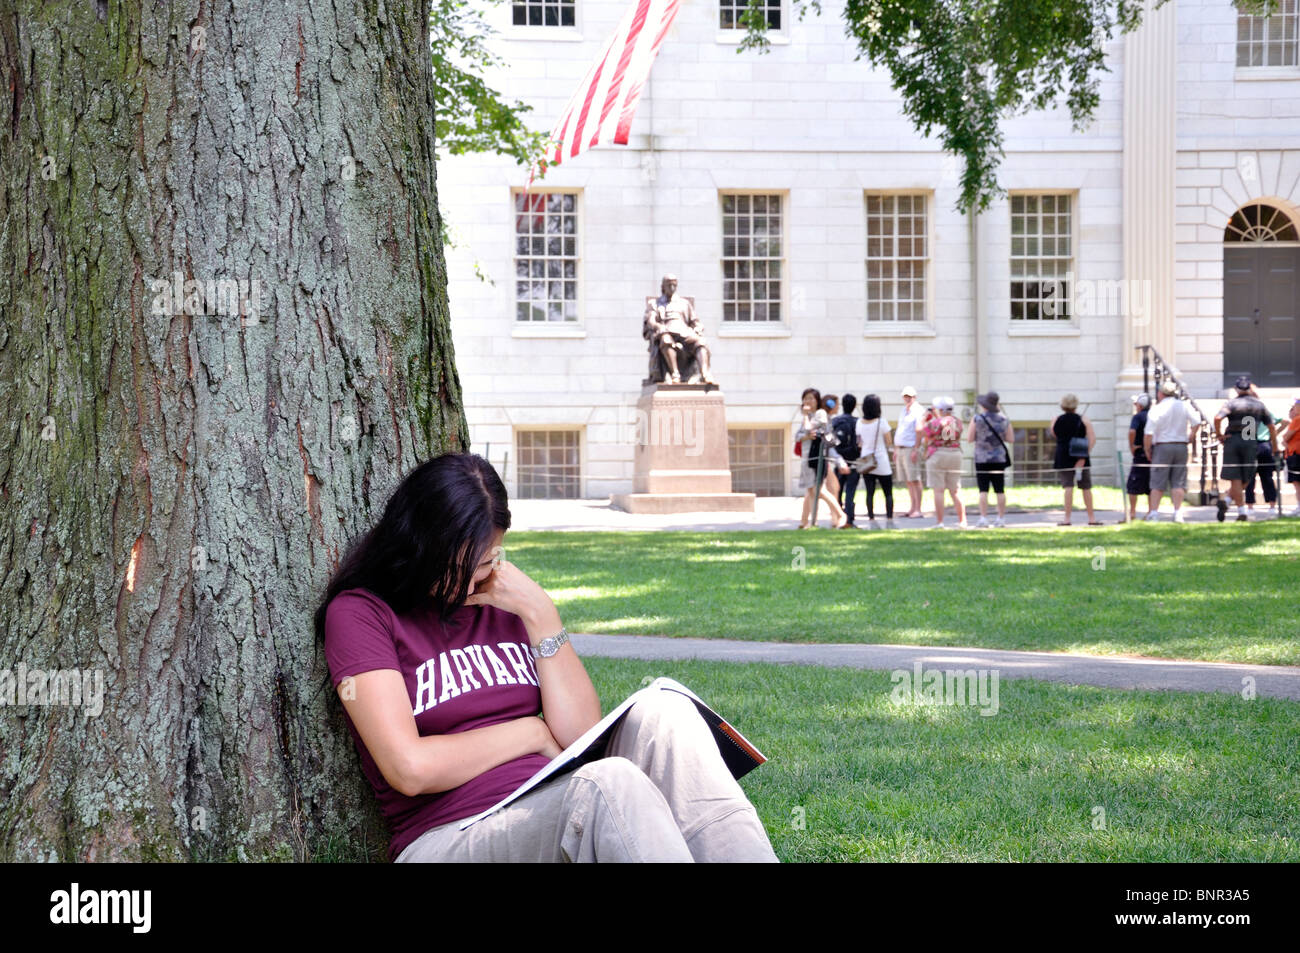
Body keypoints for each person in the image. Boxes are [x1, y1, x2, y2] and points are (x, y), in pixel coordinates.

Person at [316, 453, 778, 863]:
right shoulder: (361, 615)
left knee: (665, 713)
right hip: (448, 835)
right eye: (454, 568)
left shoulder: (506, 601)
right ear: (417, 549)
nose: (470, 583)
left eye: (485, 562)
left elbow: (578, 737)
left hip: (550, 804)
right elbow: (408, 768)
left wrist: (541, 615)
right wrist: (530, 732)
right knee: (608, 784)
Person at [1214, 375, 1277, 523]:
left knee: (1236, 476)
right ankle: (1236, 507)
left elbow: (1217, 418)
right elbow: (1271, 426)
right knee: (1247, 475)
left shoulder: (1231, 404)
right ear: (1249, 388)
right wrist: (1274, 445)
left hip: (1233, 439)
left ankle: (1231, 503)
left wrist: (1219, 435)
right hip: (1250, 440)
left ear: (1236, 389)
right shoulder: (1259, 405)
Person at [1143, 380, 1202, 522]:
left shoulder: (1157, 408)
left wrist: (1147, 449)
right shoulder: (1184, 405)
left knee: (1157, 481)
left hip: (1163, 445)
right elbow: (1197, 421)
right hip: (1180, 445)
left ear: (1160, 393)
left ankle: (1154, 513)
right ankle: (1177, 512)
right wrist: (1191, 435)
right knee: (1178, 481)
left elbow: (1148, 432)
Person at [796, 388, 849, 529]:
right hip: (807, 458)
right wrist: (806, 435)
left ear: (817, 401)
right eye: (805, 398)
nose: (807, 401)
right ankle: (807, 522)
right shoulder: (808, 416)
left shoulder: (819, 414)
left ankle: (840, 515)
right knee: (810, 491)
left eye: (811, 398)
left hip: (817, 458)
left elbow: (808, 429)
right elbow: (798, 436)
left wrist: (805, 416)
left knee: (820, 490)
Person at [964, 390, 1013, 528]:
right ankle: (1001, 518)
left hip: (982, 459)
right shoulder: (1004, 419)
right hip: (999, 458)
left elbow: (969, 438)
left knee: (983, 490)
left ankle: (984, 518)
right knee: (1000, 490)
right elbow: (1011, 438)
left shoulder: (977, 419)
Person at [1050, 394, 1099, 526]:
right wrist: (1084, 456)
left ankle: (1067, 519)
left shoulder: (1056, 420)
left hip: (1063, 456)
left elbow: (1055, 434)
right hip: (1081, 456)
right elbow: (1092, 439)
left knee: (1067, 487)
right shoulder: (1084, 419)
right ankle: (1091, 518)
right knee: (1086, 487)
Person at [920, 396, 966, 529]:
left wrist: (924, 417)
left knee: (939, 491)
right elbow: (949, 434)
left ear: (939, 409)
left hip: (938, 454)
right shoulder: (958, 422)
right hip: (955, 453)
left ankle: (940, 522)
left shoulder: (935, 423)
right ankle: (963, 521)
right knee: (955, 490)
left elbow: (921, 431)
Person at [856, 393, 897, 529]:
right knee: (888, 492)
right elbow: (889, 441)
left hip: (867, 461)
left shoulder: (859, 422)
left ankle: (871, 518)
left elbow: (859, 443)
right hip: (881, 460)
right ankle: (889, 518)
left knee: (869, 491)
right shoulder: (882, 422)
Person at [893, 386, 927, 518]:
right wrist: (896, 448)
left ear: (915, 397)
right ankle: (912, 507)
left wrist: (916, 449)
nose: (907, 398)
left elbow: (920, 431)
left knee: (915, 478)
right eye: (905, 396)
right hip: (901, 448)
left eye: (910, 396)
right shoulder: (903, 410)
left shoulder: (918, 410)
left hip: (911, 448)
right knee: (908, 479)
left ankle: (918, 508)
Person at [830, 393, 861, 528]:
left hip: (839, 460)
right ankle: (849, 519)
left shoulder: (836, 421)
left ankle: (837, 517)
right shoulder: (857, 422)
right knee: (850, 491)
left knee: (838, 490)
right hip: (854, 461)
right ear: (855, 406)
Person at [1125, 393, 1152, 522]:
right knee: (1151, 484)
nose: (1135, 406)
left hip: (1140, 452)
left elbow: (1132, 431)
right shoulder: (1153, 415)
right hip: (1153, 452)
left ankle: (1132, 512)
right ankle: (1150, 512)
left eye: (1136, 404)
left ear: (1140, 405)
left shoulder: (1137, 417)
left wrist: (1132, 445)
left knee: (1133, 484)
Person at [1283, 398, 1300, 517]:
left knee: (1297, 482)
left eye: (1293, 408)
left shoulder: (1297, 420)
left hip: (1296, 454)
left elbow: (1286, 437)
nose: (1291, 411)